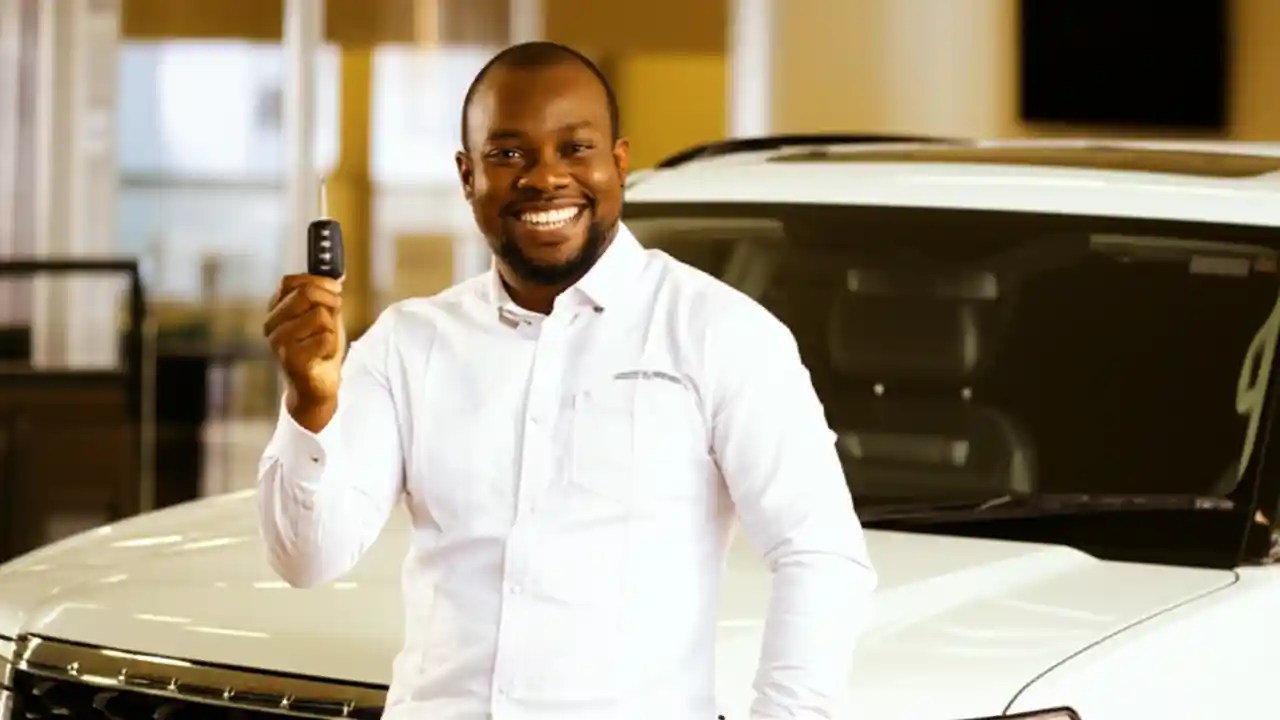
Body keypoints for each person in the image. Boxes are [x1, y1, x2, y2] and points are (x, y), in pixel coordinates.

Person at [258, 40, 876, 720]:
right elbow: (305, 559)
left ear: (618, 162)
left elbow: (821, 558)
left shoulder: (721, 335)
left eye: (575, 148)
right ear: (468, 177)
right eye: (508, 154)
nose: (544, 178)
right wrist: (311, 404)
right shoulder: (409, 343)